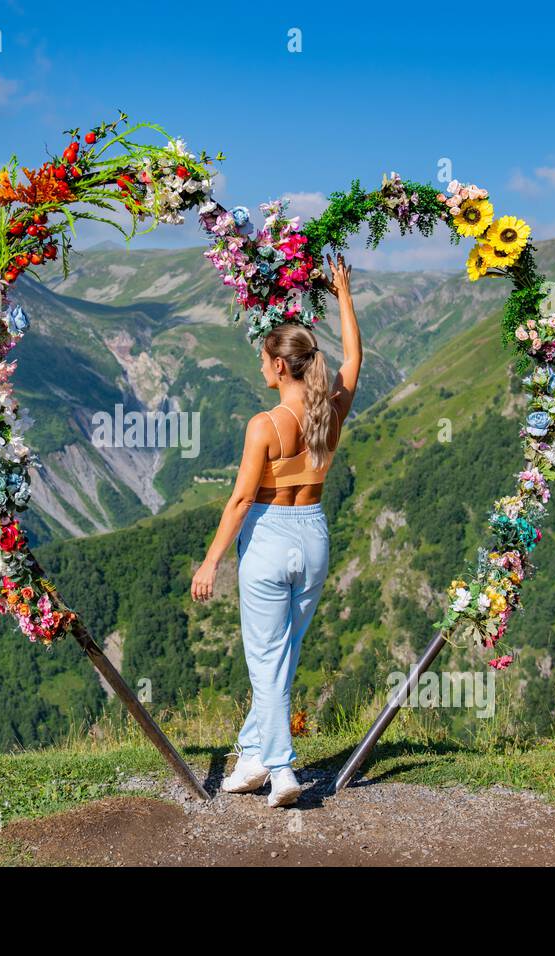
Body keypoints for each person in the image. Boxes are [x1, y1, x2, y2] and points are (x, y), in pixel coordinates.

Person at [190, 254, 362, 807]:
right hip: (313, 533)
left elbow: (241, 499)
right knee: (283, 654)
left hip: (266, 536)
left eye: (265, 360)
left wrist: (212, 560)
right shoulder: (329, 414)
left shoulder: (264, 425)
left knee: (266, 658)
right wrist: (343, 297)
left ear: (281, 367)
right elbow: (355, 359)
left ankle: (282, 770)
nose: (261, 368)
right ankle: (251, 757)